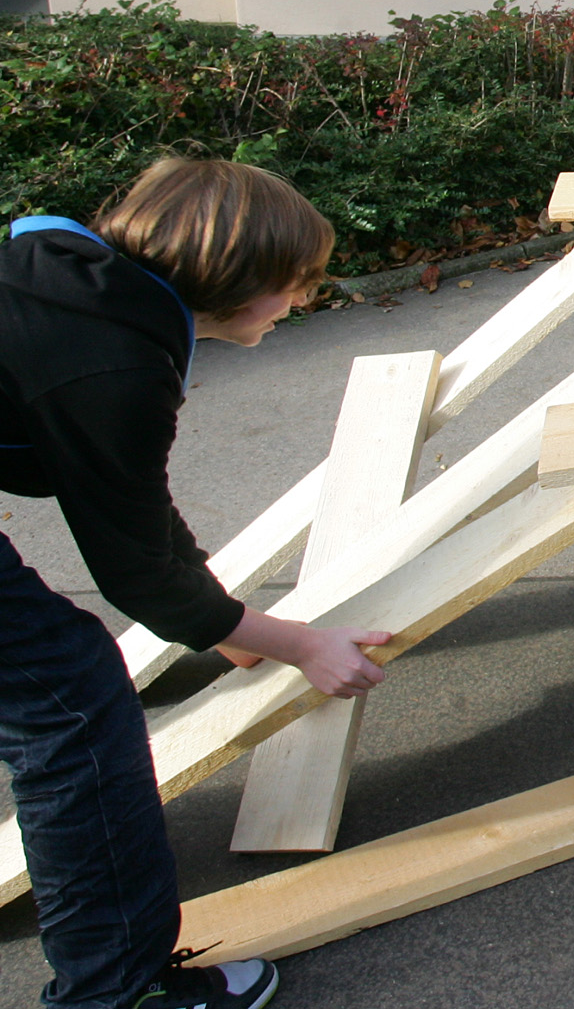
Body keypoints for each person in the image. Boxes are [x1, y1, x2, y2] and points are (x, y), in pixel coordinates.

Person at [1, 158, 390, 1009]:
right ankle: (118, 991)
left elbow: (129, 505)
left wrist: (225, 625)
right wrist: (296, 645)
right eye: (296, 285)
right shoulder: (117, 365)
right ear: (241, 279)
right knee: (68, 695)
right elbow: (136, 571)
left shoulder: (71, 284)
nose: (299, 305)